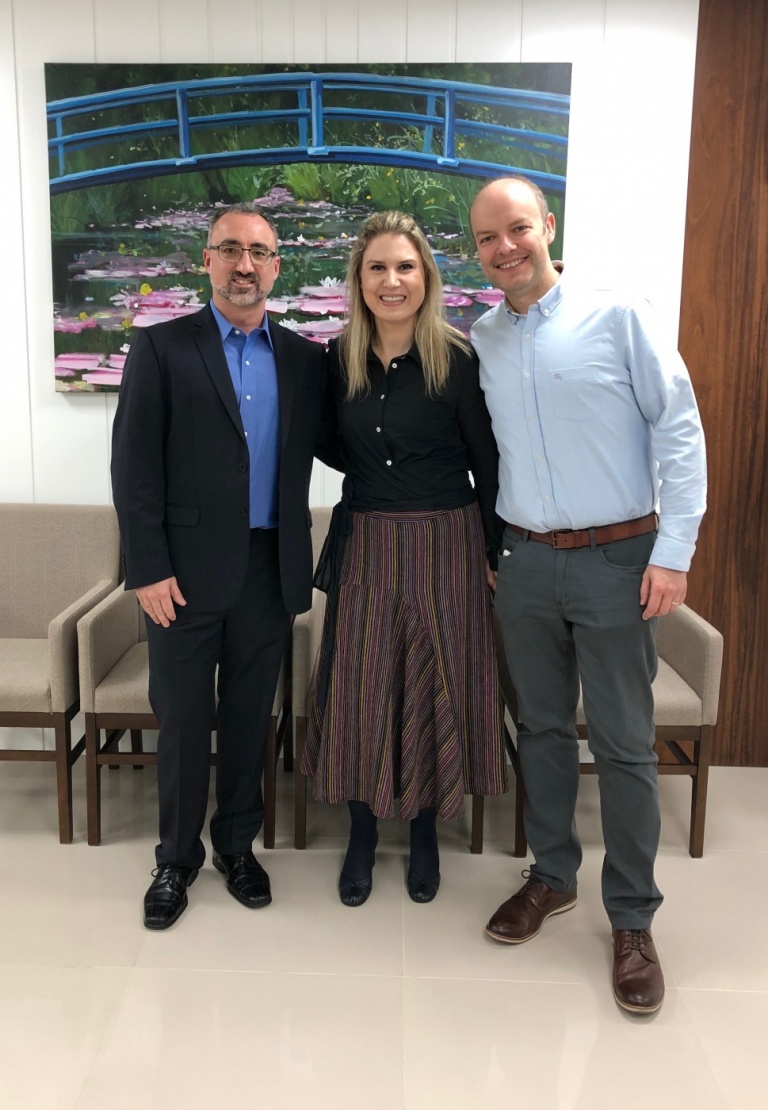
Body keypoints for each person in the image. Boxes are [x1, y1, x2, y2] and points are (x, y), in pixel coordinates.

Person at [469, 176, 706, 1014]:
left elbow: (679, 427)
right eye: (489, 238)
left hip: (618, 557)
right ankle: (552, 875)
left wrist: (673, 551)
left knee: (624, 744)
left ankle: (634, 920)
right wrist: (500, 551)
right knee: (537, 727)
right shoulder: (485, 336)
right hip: (525, 563)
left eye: (518, 229)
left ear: (547, 227)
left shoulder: (620, 316)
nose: (506, 248)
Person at [111, 202, 324, 929]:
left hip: (271, 570)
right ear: (206, 261)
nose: (244, 265)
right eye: (229, 250)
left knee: (245, 718)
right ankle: (175, 857)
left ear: (276, 266)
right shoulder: (162, 348)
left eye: (259, 252)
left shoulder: (304, 358)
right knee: (181, 720)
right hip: (182, 577)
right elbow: (134, 468)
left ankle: (237, 845)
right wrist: (147, 569)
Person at [302, 210, 507, 907]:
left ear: (426, 277)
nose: (392, 281)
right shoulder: (336, 360)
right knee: (363, 687)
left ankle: (423, 831)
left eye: (406, 267)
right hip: (367, 542)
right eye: (377, 268)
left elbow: (489, 465)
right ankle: (361, 833)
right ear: (359, 281)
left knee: (432, 684)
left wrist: (492, 552)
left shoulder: (459, 357)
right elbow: (328, 441)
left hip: (447, 544)